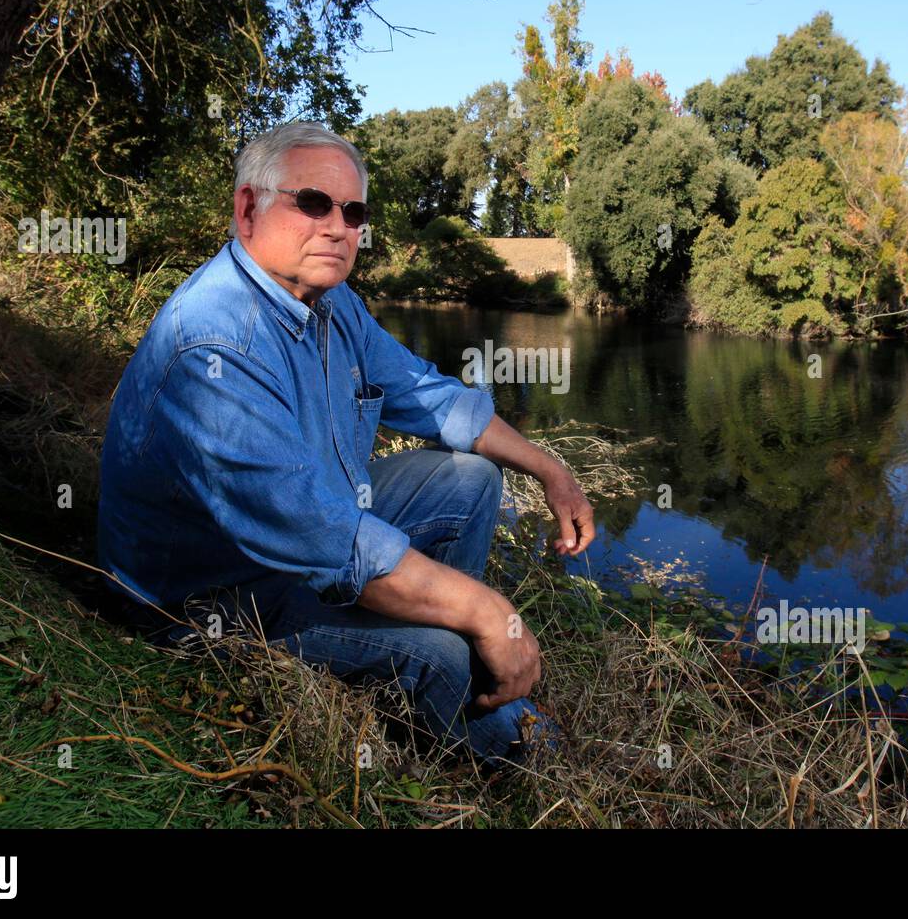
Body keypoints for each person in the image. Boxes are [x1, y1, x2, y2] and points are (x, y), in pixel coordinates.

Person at [97, 121, 595, 766]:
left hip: (303, 536)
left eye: (353, 211)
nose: (338, 226)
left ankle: (434, 658)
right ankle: (497, 750)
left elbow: (426, 394)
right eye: (312, 203)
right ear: (248, 208)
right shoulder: (216, 343)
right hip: (211, 597)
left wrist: (550, 469)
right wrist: (483, 610)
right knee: (443, 650)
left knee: (468, 480)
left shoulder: (334, 304)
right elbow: (314, 535)